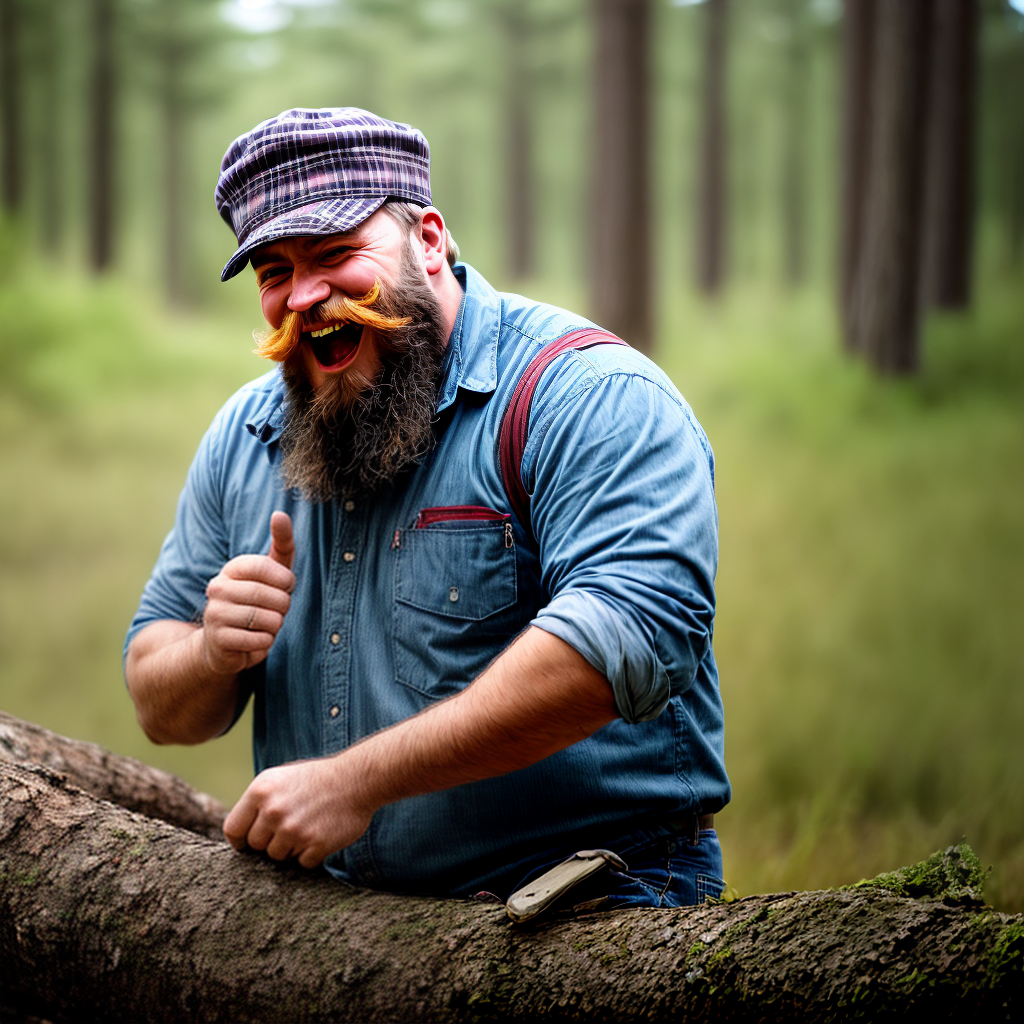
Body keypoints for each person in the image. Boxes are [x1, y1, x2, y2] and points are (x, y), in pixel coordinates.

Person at [125, 107, 730, 911]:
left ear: (431, 241)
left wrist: (356, 782)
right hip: (338, 929)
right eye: (275, 272)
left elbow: (622, 640)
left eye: (337, 254)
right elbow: (153, 692)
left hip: (597, 909)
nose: (306, 295)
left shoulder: (589, 396)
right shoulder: (246, 433)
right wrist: (210, 650)